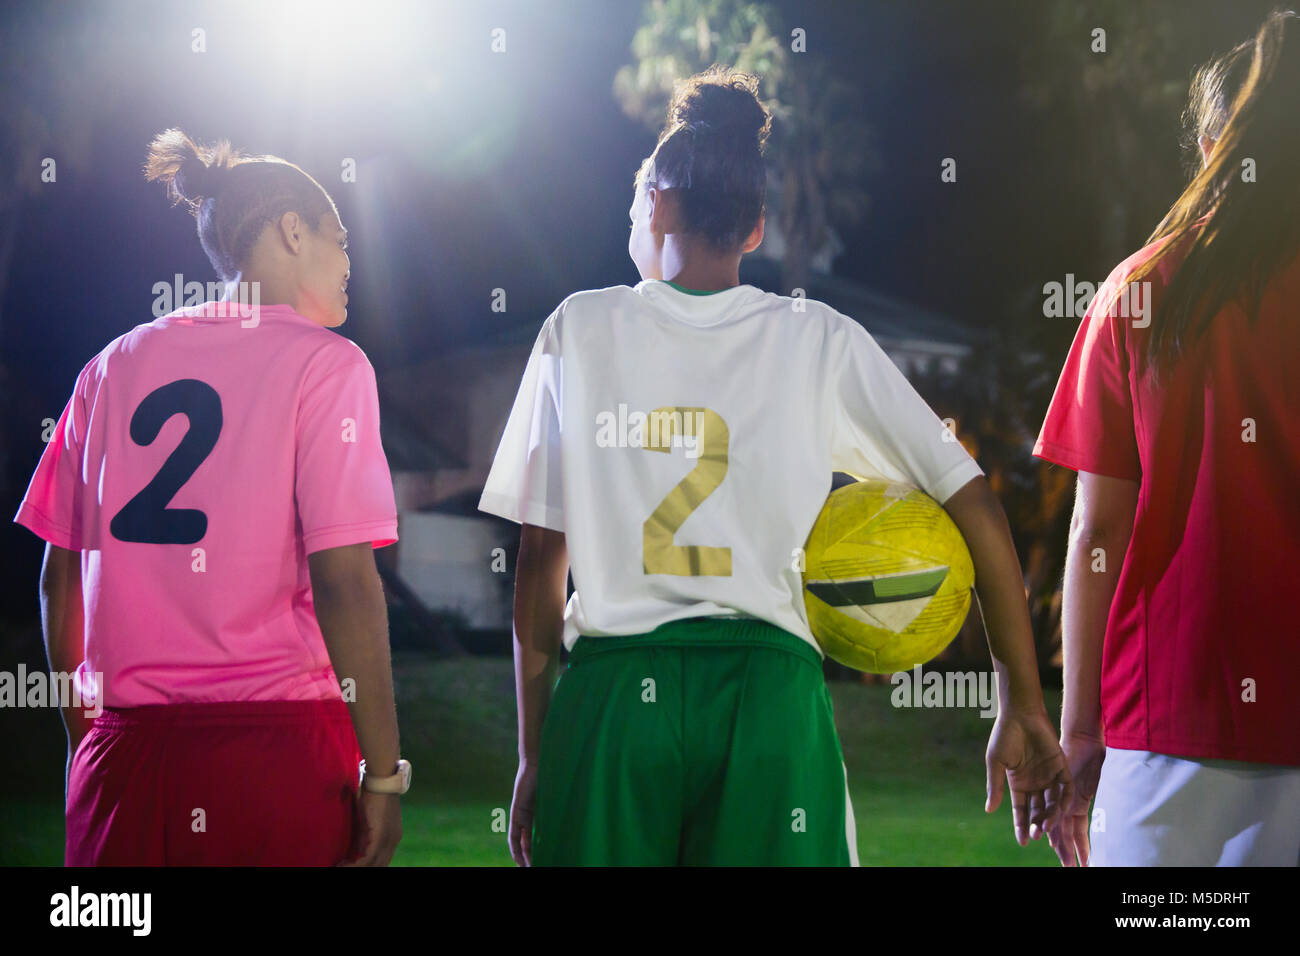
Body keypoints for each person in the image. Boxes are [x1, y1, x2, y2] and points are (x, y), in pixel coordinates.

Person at [480, 67, 1069, 866]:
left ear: (654, 201)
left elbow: (540, 569)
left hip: (616, 700)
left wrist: (537, 753)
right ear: (757, 229)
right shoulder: (817, 337)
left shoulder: (578, 329)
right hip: (767, 698)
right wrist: (1022, 700)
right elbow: (975, 502)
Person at [12, 130, 409, 866]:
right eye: (340, 239)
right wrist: (384, 776)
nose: (352, 262)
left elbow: (57, 574)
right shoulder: (329, 365)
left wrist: (87, 739)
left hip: (125, 756)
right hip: (275, 754)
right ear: (294, 231)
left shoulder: (109, 366)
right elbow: (346, 582)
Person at [1037, 11, 1300, 867]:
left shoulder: (1139, 288)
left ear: (1213, 142)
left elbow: (1096, 533)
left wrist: (1078, 731)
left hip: (1164, 721)